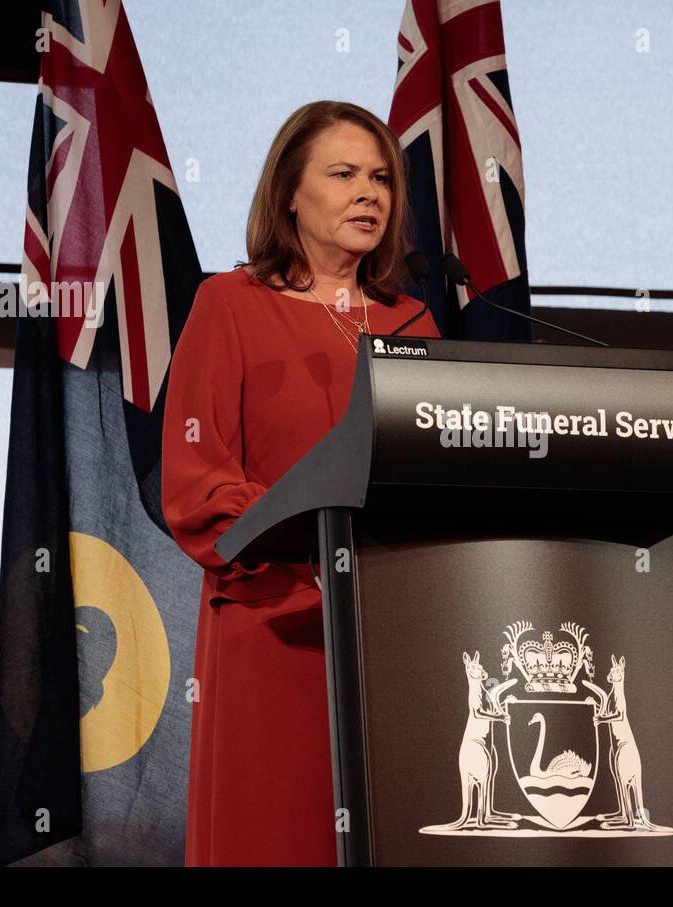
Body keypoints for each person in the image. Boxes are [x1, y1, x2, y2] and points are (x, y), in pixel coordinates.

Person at [161, 101, 440, 865]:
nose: (369, 194)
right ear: (289, 192)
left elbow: (444, 474)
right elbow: (195, 481)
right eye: (344, 174)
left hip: (390, 638)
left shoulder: (413, 326)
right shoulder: (230, 304)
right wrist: (318, 533)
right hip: (277, 624)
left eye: (382, 178)